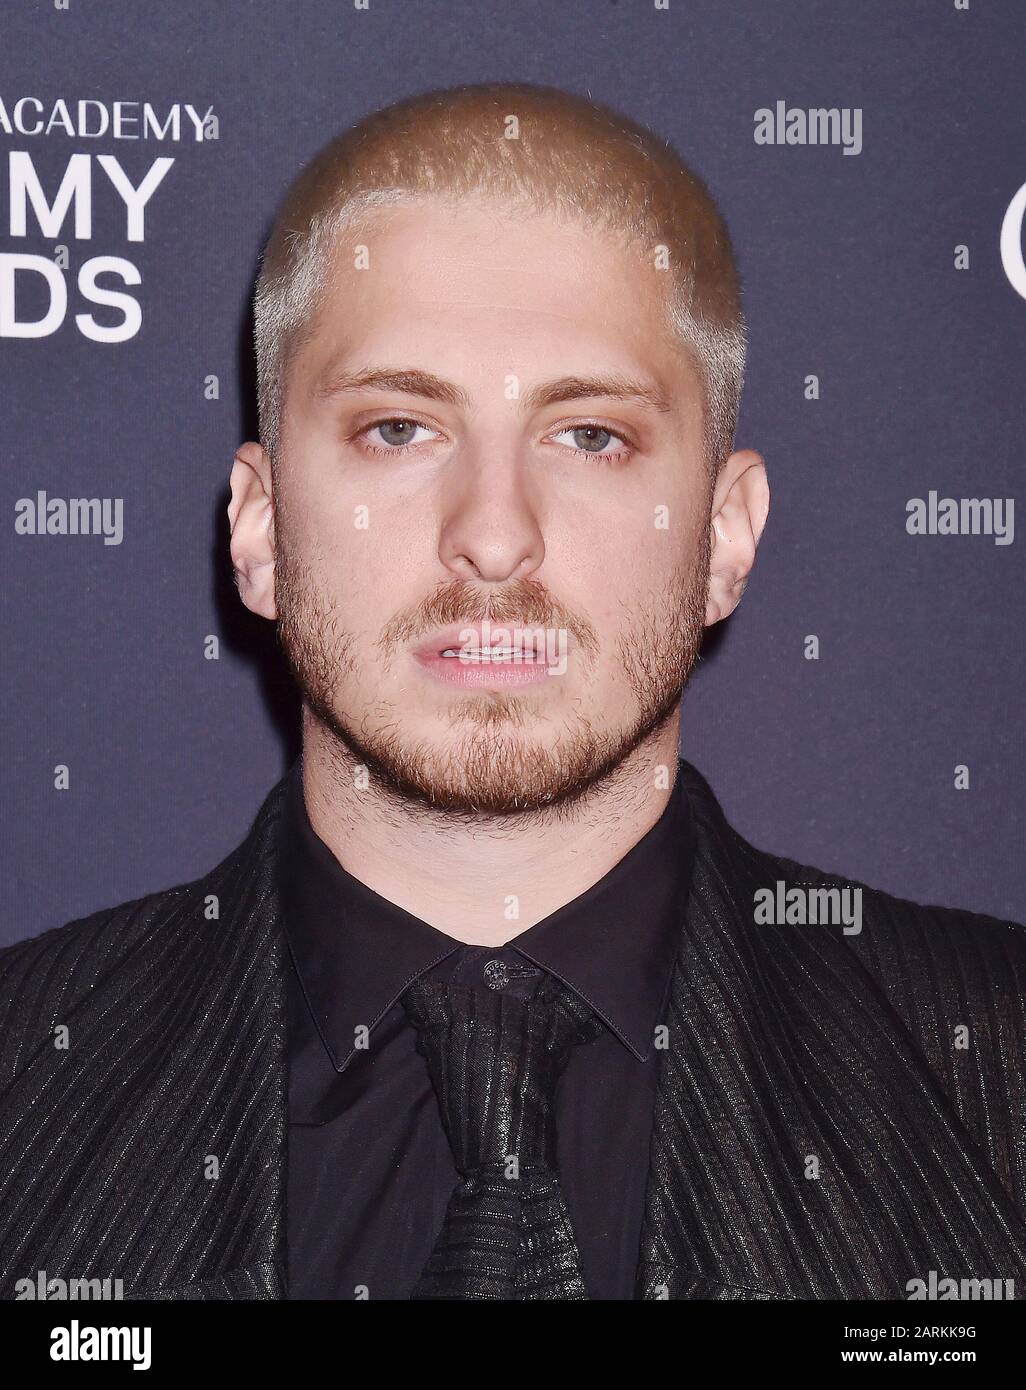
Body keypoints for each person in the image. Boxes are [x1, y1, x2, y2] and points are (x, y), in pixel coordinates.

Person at [2, 83, 1023, 1303]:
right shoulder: (28, 1072)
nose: (493, 536)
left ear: (725, 537)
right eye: (397, 428)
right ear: (263, 530)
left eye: (590, 436)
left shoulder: (994, 1065)